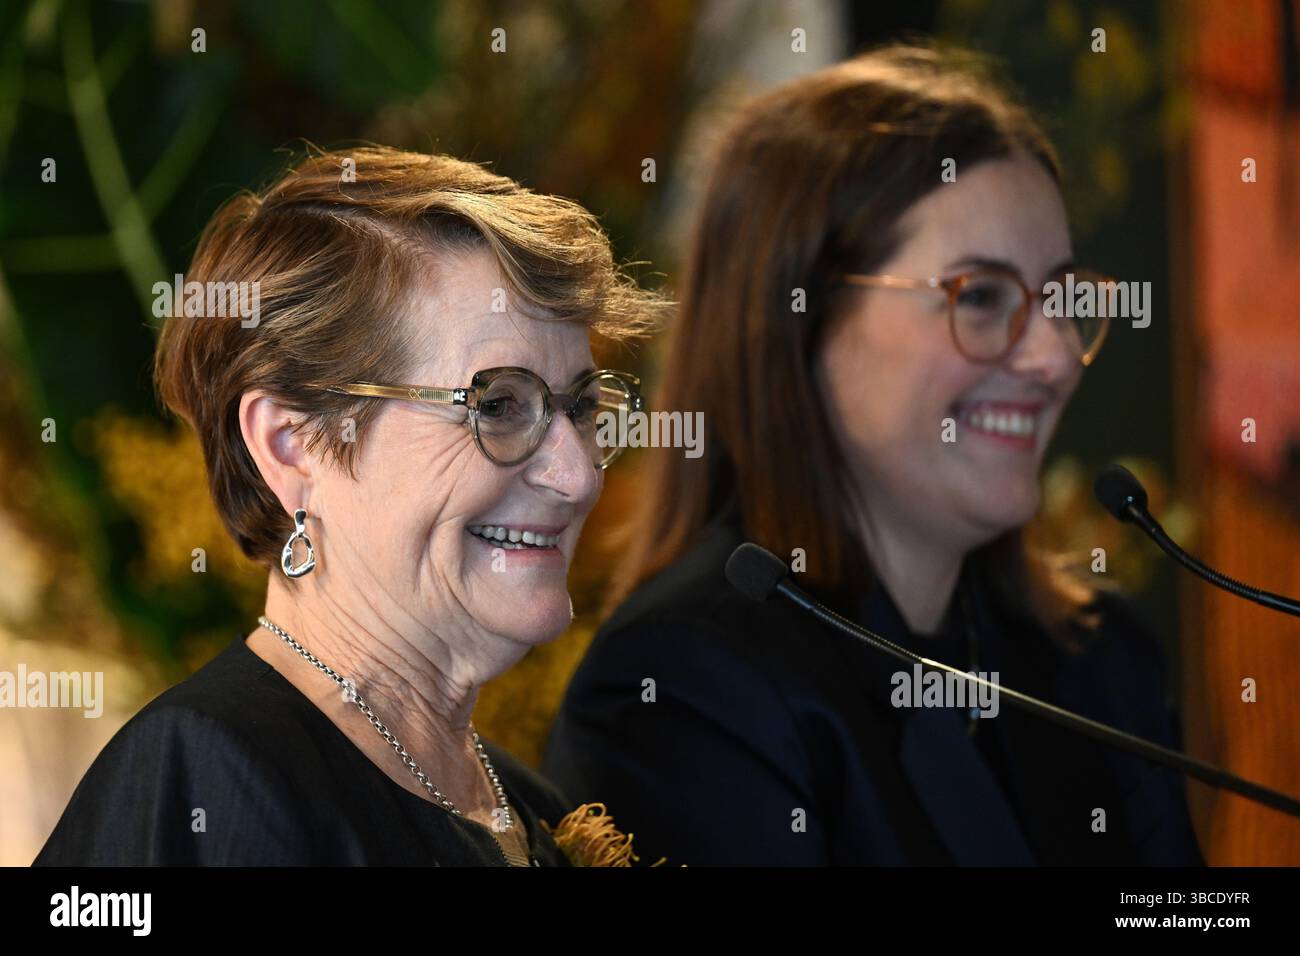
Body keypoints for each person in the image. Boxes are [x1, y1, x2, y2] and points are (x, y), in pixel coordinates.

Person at [542, 43, 1204, 866]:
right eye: (985, 296)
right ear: (800, 321)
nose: (1057, 355)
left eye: (1063, 300)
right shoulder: (677, 690)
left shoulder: (1103, 659)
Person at [34, 145, 661, 866]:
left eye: (580, 408)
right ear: (293, 445)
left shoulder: (531, 810)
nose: (577, 475)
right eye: (497, 405)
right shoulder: (206, 779)